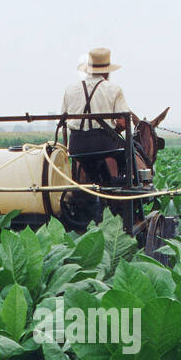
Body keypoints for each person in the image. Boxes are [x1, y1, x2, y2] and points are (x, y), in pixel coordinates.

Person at [59, 47, 136, 229]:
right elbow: (124, 122)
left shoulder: (71, 89)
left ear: (89, 69)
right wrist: (115, 127)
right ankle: (127, 186)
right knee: (128, 149)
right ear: (107, 72)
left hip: (76, 147)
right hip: (104, 144)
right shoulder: (114, 89)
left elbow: (63, 117)